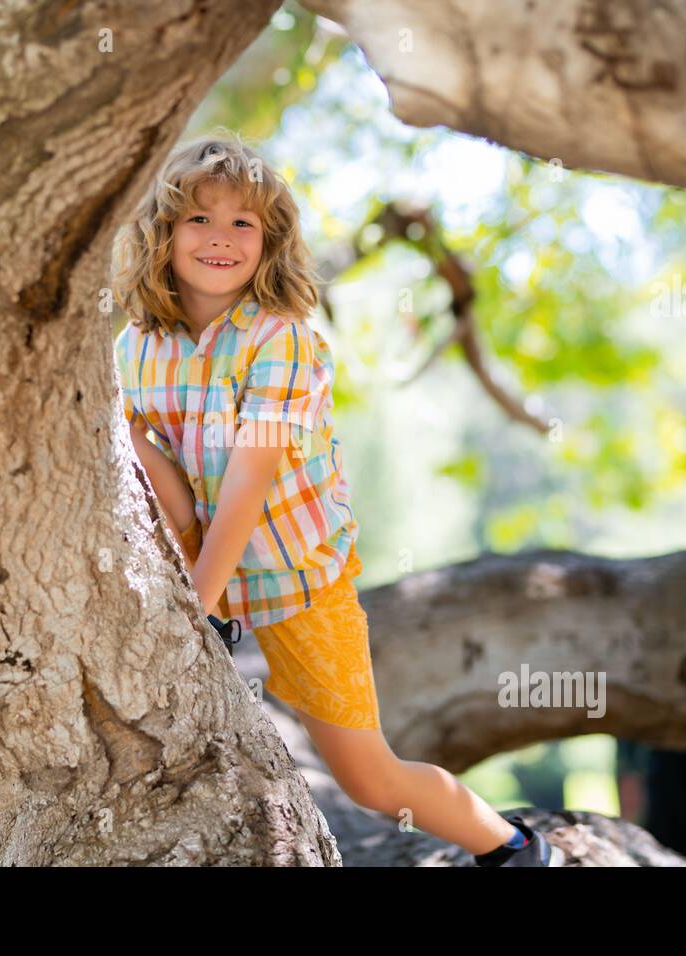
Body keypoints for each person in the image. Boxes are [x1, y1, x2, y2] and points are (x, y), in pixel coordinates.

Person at [110, 131, 562, 867]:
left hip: (297, 575)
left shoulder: (280, 339)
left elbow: (251, 482)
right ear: (163, 232)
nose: (220, 238)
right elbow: (136, 450)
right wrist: (185, 556)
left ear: (270, 240)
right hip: (197, 552)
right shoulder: (136, 347)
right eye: (199, 218)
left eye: (242, 223)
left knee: (373, 780)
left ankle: (513, 849)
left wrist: (203, 606)